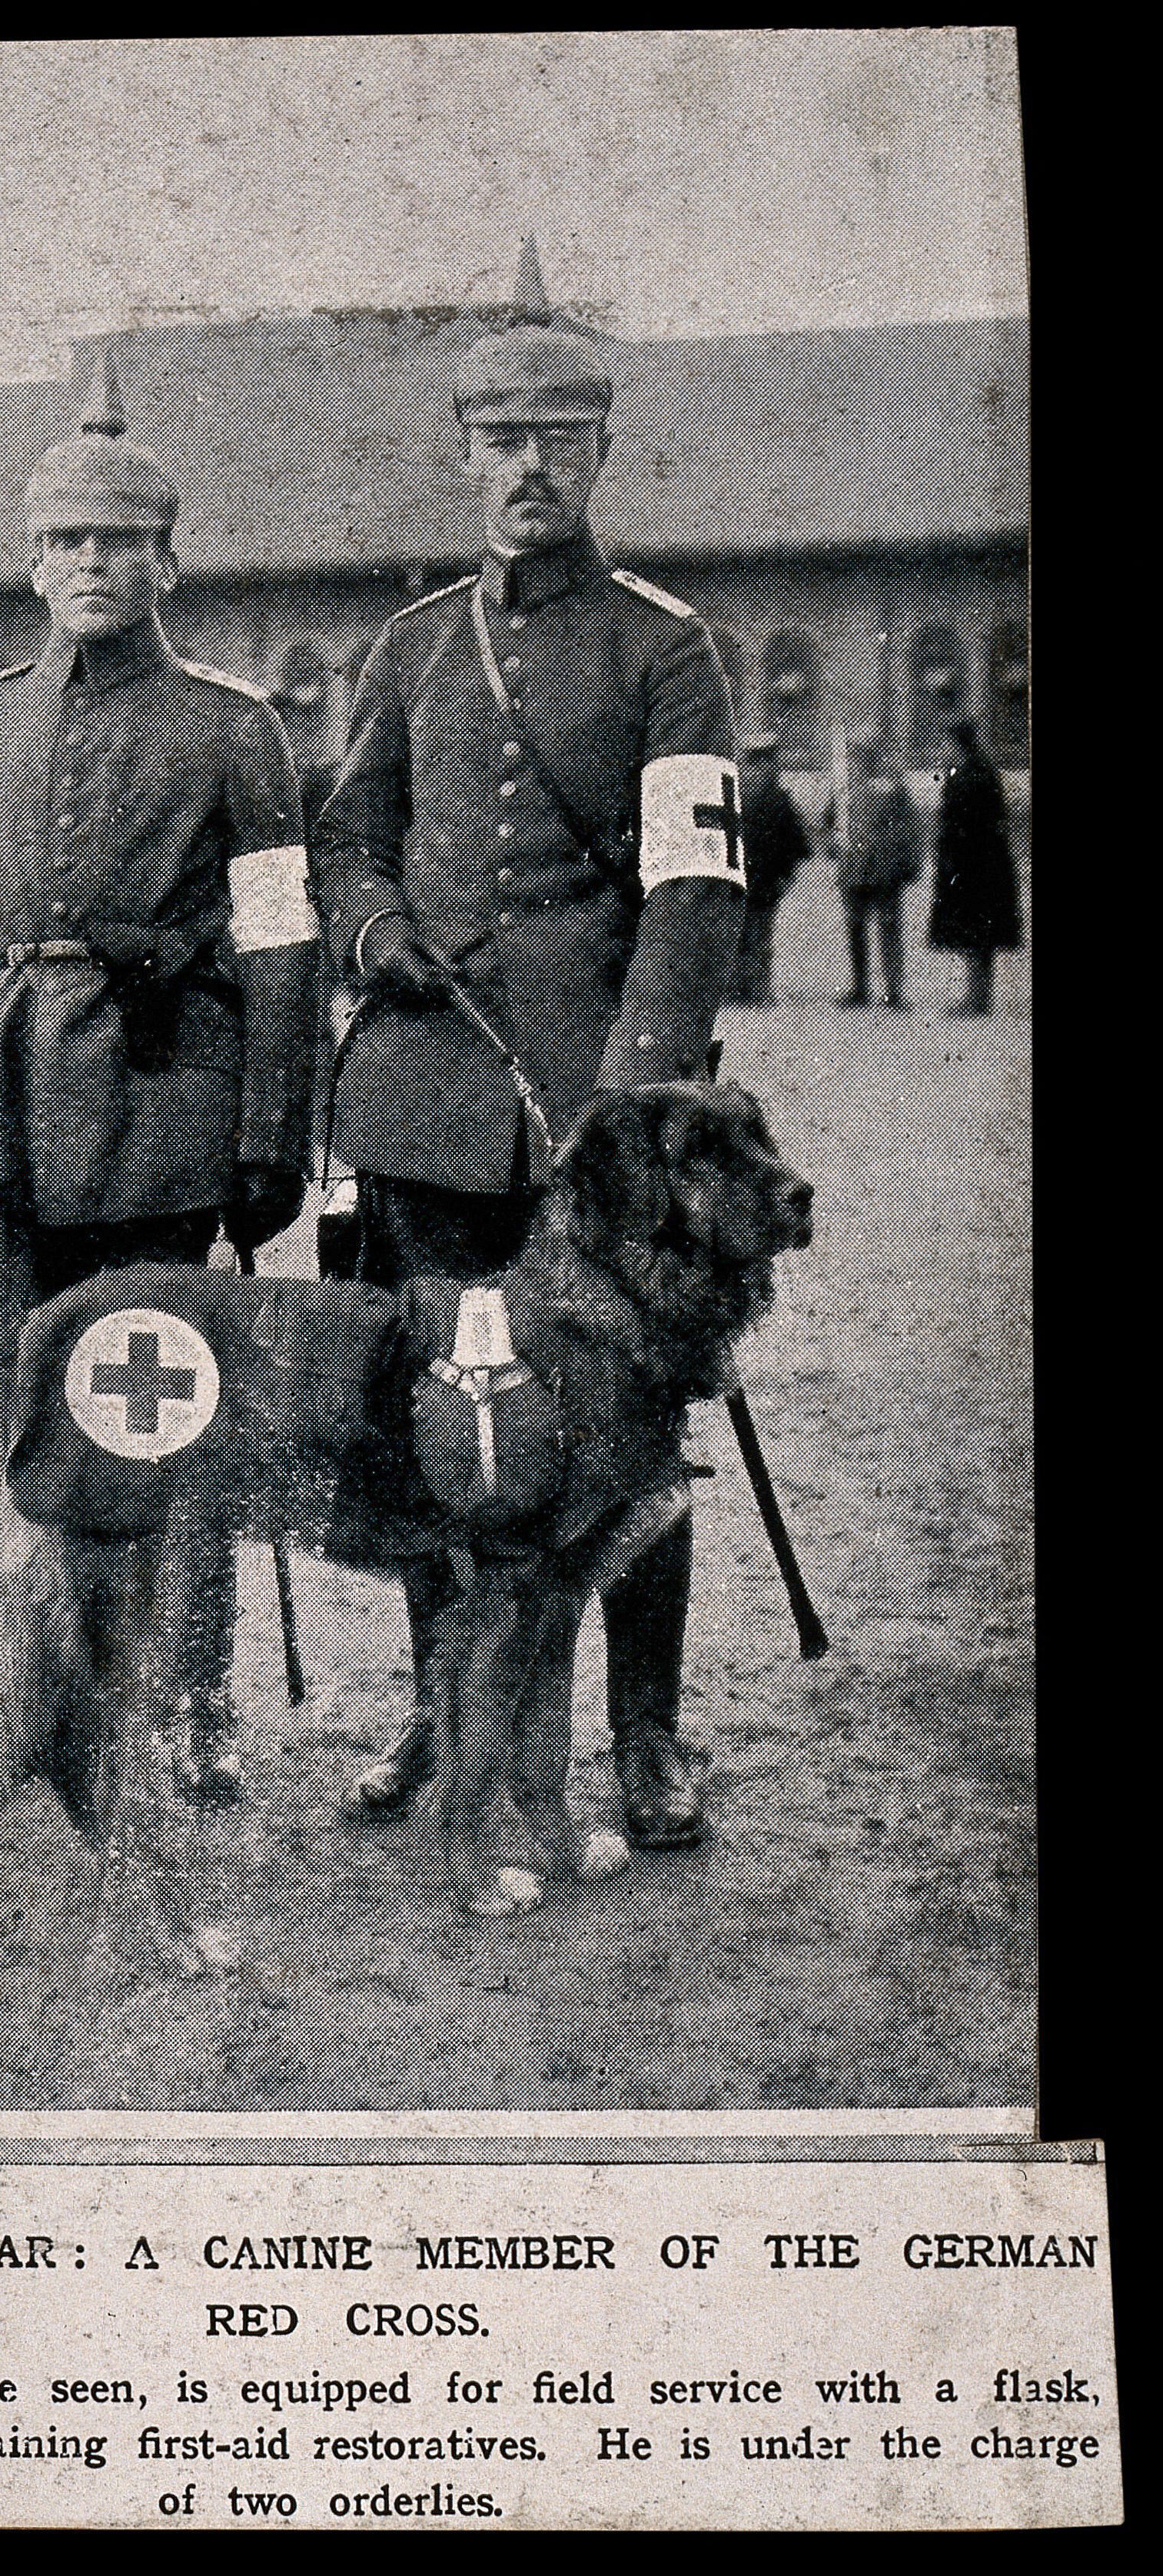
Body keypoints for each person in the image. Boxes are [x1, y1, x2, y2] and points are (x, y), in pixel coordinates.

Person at [0, 354, 319, 1805]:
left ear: (169, 557)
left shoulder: (237, 724)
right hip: (7, 1119)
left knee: (166, 1410)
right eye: (64, 541)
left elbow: (284, 938)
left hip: (166, 1110)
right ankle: (17, 1703)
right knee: (14, 1408)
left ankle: (189, 1705)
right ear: (31, 562)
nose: (90, 564)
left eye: (117, 539)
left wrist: (270, 1129)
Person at [312, 243, 746, 1850]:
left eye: (559, 440)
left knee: (629, 1427)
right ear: (466, 456)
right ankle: (440, 1715)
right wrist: (373, 934)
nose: (528, 468)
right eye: (501, 441)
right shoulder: (413, 646)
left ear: (601, 454)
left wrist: (632, 1104)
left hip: (593, 1111)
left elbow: (696, 889)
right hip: (425, 1101)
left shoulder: (665, 647)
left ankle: (646, 1741)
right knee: (440, 1410)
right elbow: (339, 837)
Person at [927, 719, 1022, 1015]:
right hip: (982, 864)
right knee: (977, 932)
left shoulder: (969, 777)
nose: (942, 750)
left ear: (958, 745)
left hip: (972, 866)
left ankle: (978, 998)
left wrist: (950, 855)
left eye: (946, 744)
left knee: (975, 930)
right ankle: (977, 994)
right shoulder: (979, 772)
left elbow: (962, 825)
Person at [826, 738, 922, 1010]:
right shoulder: (844, 787)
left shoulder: (892, 784)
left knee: (889, 929)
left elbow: (907, 826)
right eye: (858, 754)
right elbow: (829, 820)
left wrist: (907, 863)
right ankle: (860, 987)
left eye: (867, 754)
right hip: (853, 869)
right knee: (855, 929)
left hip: (884, 870)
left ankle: (893, 990)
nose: (862, 759)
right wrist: (834, 842)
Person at [729, 734, 810, 1005]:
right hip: (740, 877)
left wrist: (786, 875)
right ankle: (743, 989)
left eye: (764, 762)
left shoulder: (776, 799)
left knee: (756, 933)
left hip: (763, 879)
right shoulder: (736, 796)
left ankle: (753, 989)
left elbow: (795, 842)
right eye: (755, 762)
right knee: (742, 934)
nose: (759, 768)